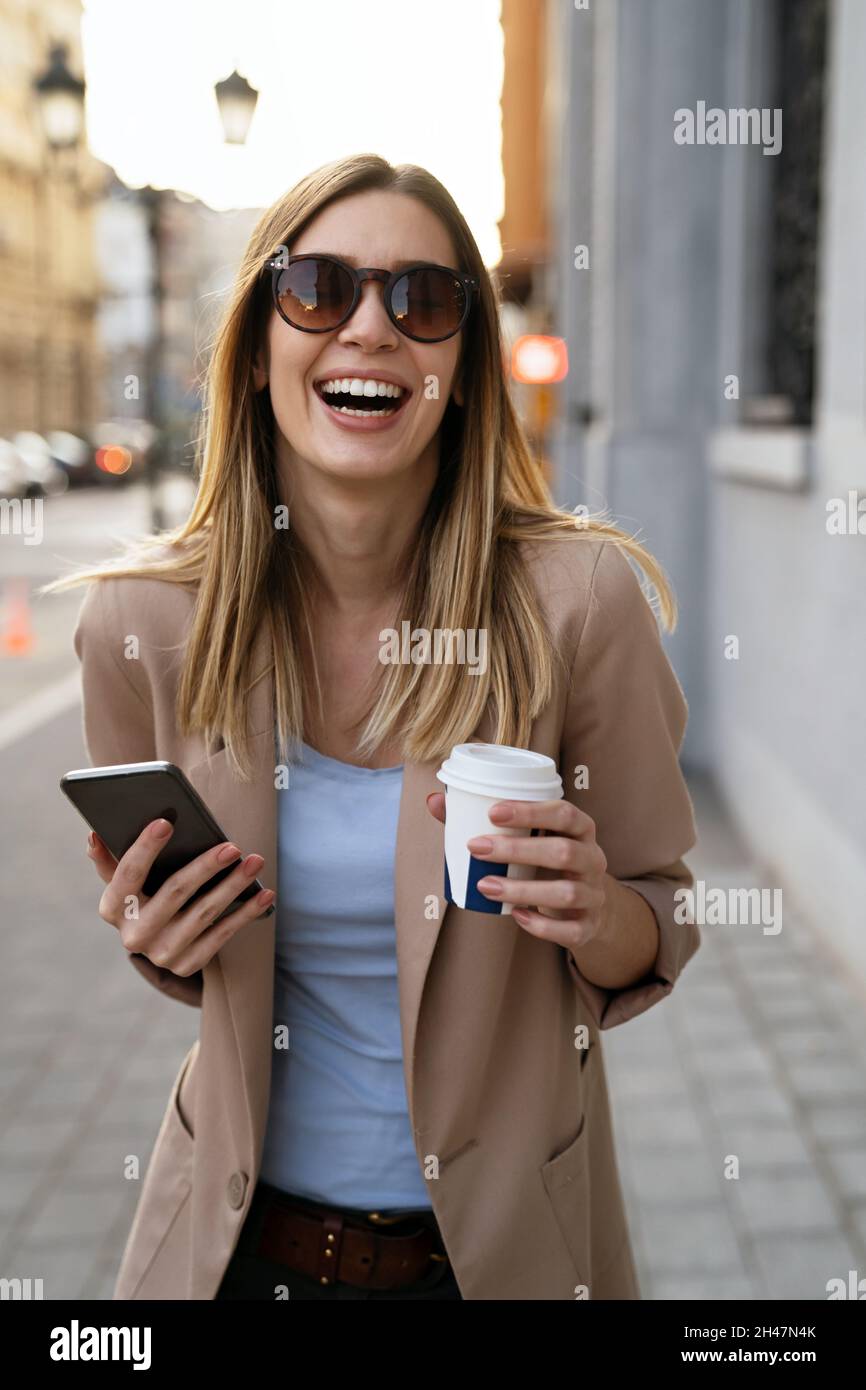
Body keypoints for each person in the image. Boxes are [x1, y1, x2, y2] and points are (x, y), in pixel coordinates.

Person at [49, 153, 699, 1300]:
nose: (370, 328)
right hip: (236, 1254)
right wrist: (157, 941)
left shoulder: (579, 603)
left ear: (461, 365)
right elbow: (195, 963)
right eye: (317, 288)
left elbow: (660, 918)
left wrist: (598, 913)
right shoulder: (142, 620)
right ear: (257, 349)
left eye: (423, 299)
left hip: (498, 1261)